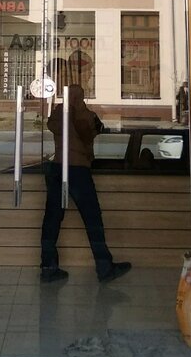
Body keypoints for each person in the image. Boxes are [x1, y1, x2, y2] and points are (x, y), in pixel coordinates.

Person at [40, 84, 131, 284]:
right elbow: (94, 131)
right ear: (81, 97)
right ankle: (104, 266)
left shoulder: (58, 113)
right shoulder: (84, 114)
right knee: (92, 219)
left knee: (52, 218)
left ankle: (48, 266)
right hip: (78, 170)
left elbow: (51, 126)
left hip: (57, 168)